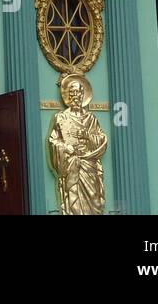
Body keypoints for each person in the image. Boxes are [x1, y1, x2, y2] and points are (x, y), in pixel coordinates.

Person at [47, 73, 108, 215]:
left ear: (83, 95)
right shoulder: (61, 118)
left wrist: (87, 136)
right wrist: (65, 148)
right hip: (72, 164)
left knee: (94, 199)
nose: (75, 95)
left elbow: (101, 139)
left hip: (89, 166)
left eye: (78, 92)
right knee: (74, 198)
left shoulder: (91, 118)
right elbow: (53, 140)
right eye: (72, 92)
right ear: (67, 95)